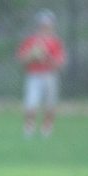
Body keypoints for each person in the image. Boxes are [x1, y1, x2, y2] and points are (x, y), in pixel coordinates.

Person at [16, 9, 67, 137]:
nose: (45, 26)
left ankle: (47, 129)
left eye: (48, 24)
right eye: (43, 24)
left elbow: (60, 63)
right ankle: (29, 129)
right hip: (34, 75)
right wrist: (32, 55)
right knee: (31, 103)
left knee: (50, 104)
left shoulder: (55, 42)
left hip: (49, 75)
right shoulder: (31, 40)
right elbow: (21, 59)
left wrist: (46, 56)